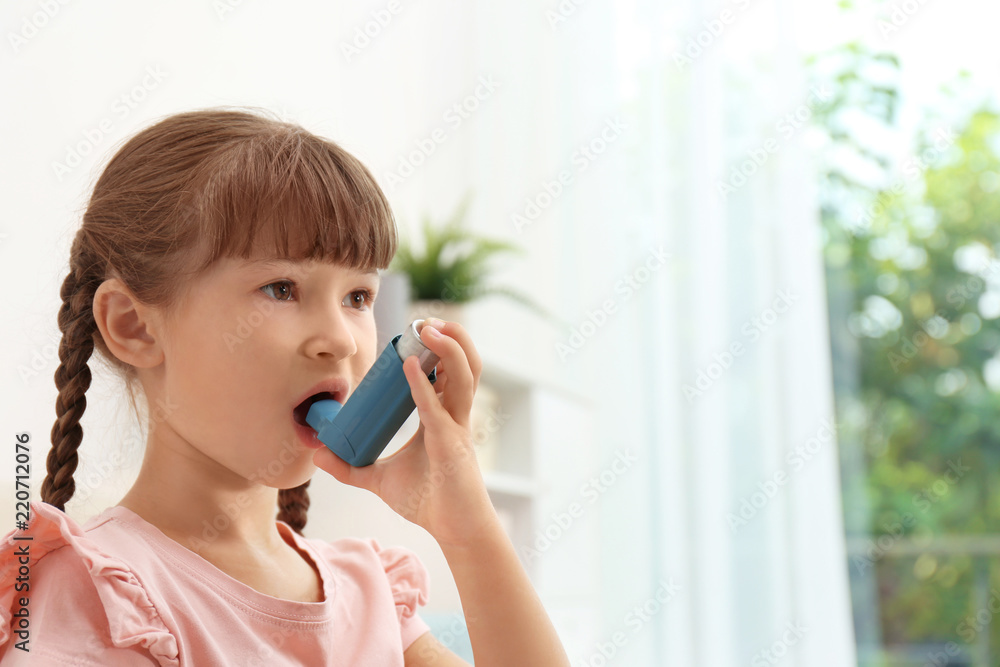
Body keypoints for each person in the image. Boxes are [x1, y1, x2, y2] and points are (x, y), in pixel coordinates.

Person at [0, 109, 569, 666]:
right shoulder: (98, 594)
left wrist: (467, 529)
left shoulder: (370, 593)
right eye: (281, 288)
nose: (341, 341)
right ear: (133, 325)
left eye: (358, 298)